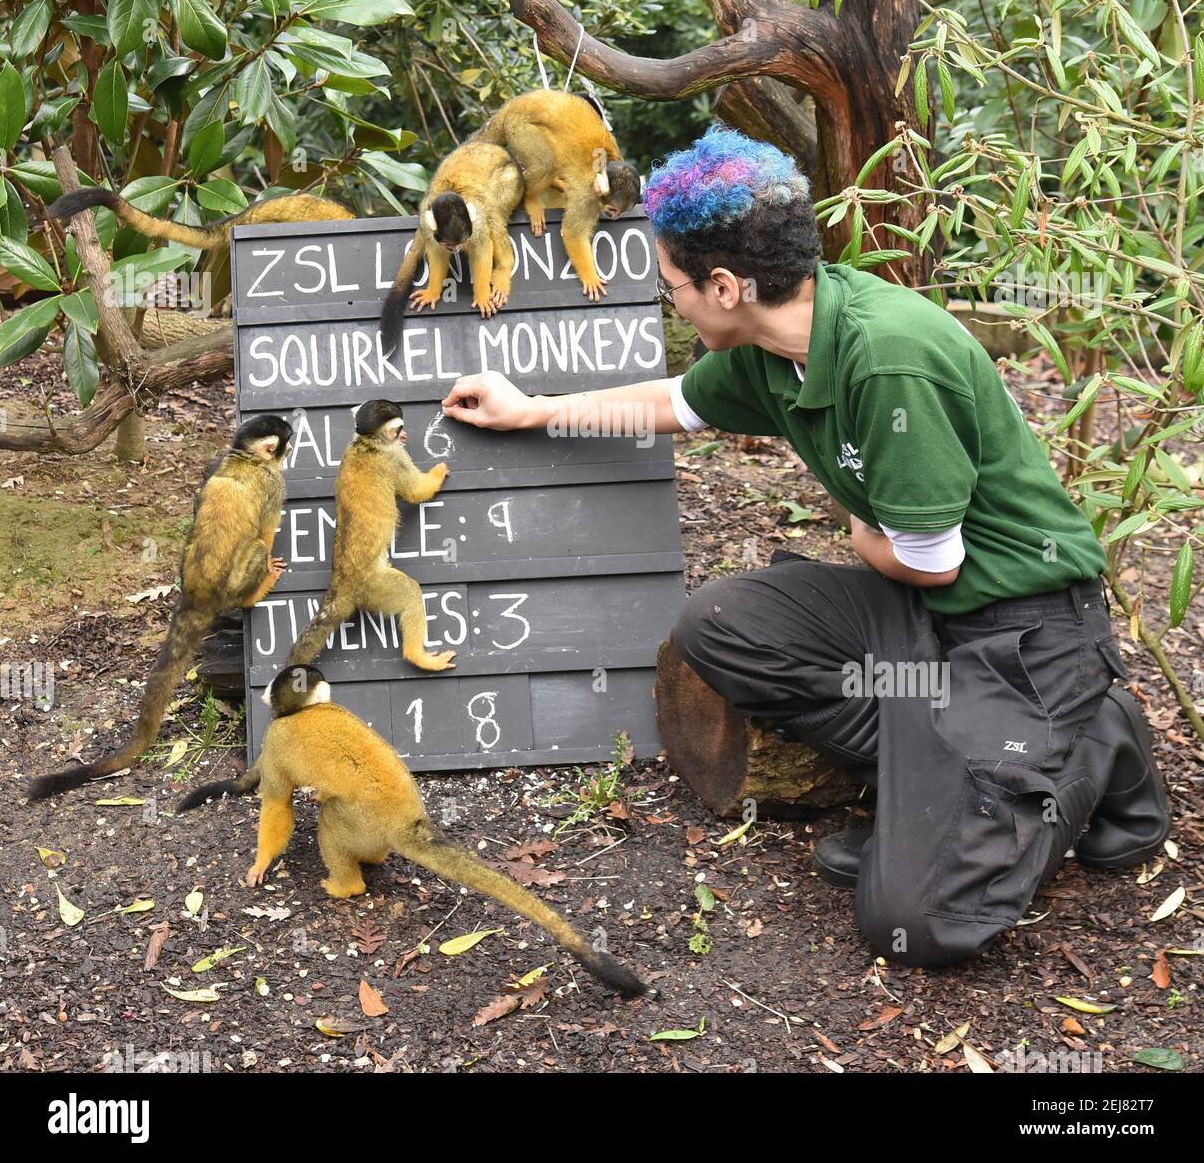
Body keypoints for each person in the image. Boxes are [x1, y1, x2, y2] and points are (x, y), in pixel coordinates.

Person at [440, 123, 1170, 969]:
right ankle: (933, 790)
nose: (668, 300)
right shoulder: (773, 341)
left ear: (723, 285)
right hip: (927, 611)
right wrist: (532, 407)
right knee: (722, 626)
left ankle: (1089, 745)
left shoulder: (890, 360)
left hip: (1024, 634)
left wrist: (861, 531)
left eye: (672, 283)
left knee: (920, 920)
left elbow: (934, 559)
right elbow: (675, 403)